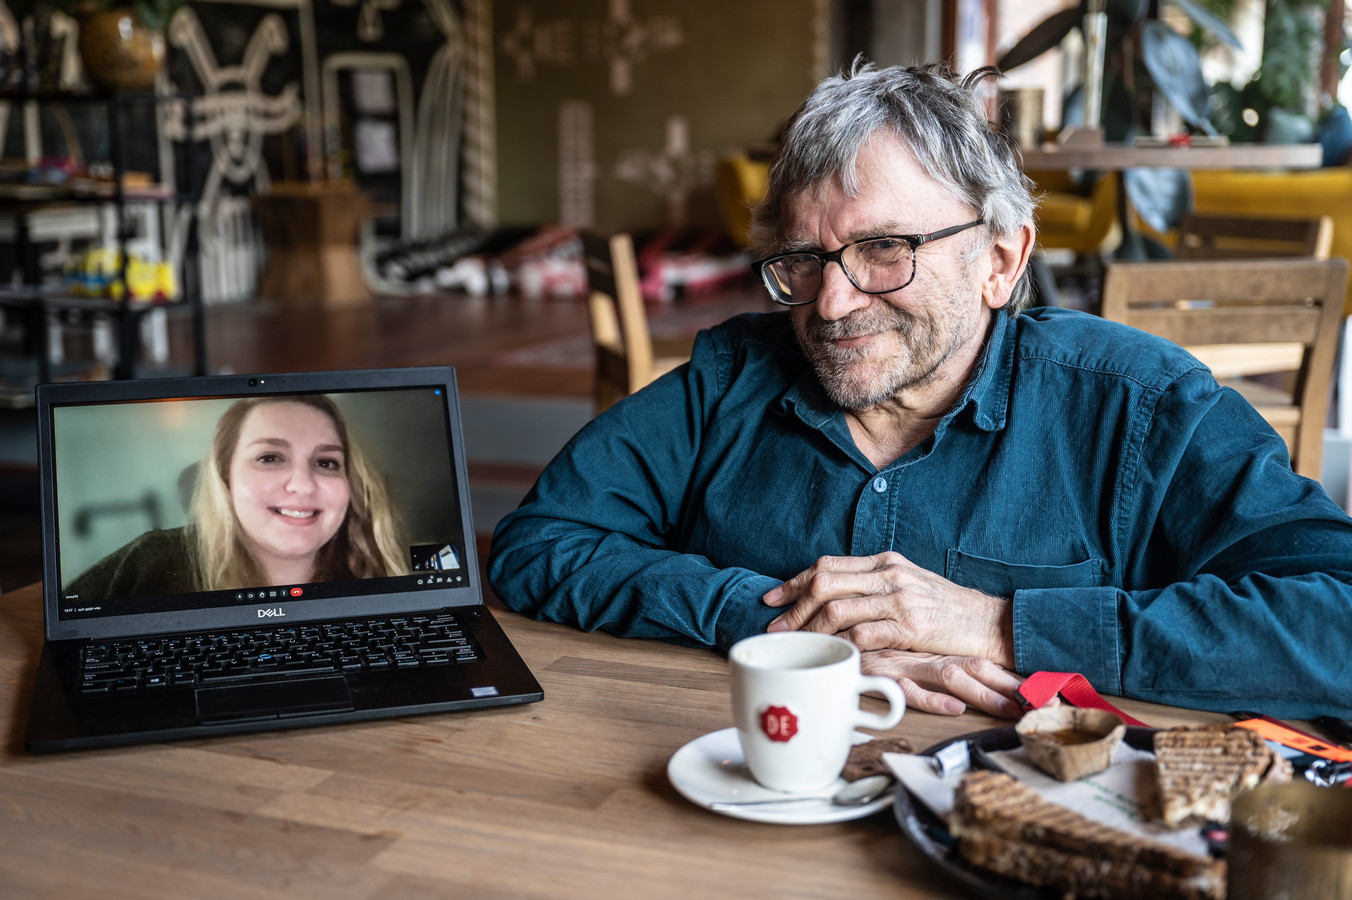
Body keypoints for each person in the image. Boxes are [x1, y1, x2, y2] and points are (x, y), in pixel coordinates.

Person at [488, 61, 1352, 720]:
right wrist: (775, 627)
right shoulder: (729, 383)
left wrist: (1002, 625)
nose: (832, 303)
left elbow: (1337, 624)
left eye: (884, 250)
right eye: (804, 260)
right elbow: (537, 543)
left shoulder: (1138, 407)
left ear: (1001, 260)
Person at [67, 395, 409, 599]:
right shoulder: (151, 561)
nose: (302, 486)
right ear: (225, 477)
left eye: (326, 462)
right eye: (270, 457)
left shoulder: (382, 579)